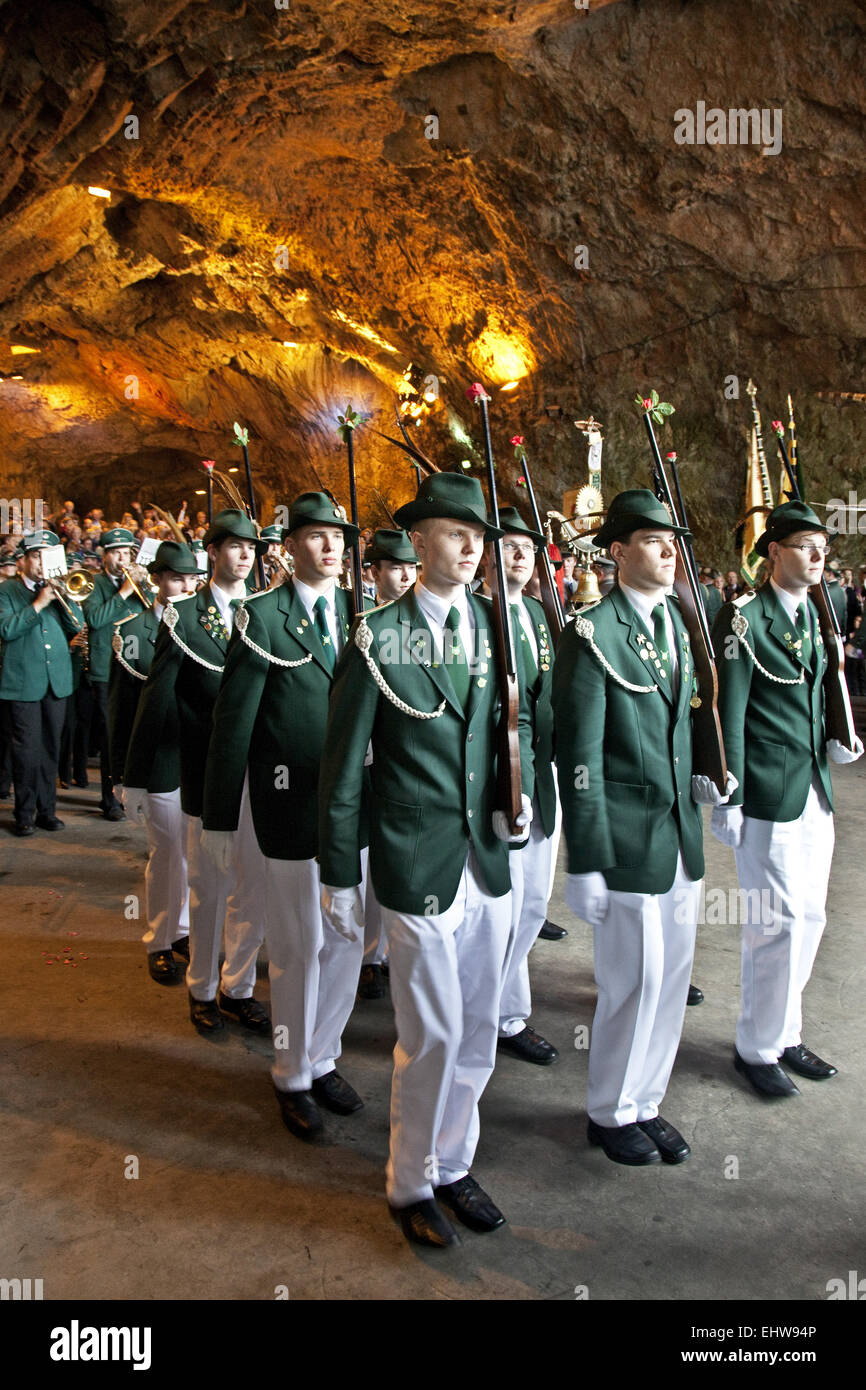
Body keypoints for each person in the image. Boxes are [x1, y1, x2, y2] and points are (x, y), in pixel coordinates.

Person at [318, 472, 534, 1247]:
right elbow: (341, 771)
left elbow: (519, 725)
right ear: (418, 542)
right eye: (453, 531)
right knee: (432, 1032)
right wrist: (340, 873)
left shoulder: (497, 625)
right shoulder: (378, 635)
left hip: (487, 857)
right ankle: (410, 1183)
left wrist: (525, 792)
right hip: (416, 860)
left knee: (477, 1025)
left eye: (479, 534)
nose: (473, 546)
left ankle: (452, 1161)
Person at [552, 490, 733, 1167]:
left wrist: (704, 778)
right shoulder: (591, 633)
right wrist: (588, 856)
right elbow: (581, 754)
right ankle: (609, 1109)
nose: (669, 551)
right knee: (634, 980)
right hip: (625, 838)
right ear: (618, 552)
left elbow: (681, 726)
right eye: (654, 540)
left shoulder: (677, 628)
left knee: (671, 977)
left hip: (678, 831)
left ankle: (647, 1099)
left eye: (674, 541)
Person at [201, 492, 367, 1139]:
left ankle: (323, 1053)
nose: (330, 546)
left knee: (348, 939)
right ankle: (292, 1071)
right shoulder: (260, 619)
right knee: (300, 946)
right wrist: (218, 818)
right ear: (289, 546)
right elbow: (231, 724)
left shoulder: (364, 614)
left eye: (338, 537)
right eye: (316, 536)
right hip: (289, 804)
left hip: (351, 808)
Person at [710, 501, 862, 1098]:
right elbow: (733, 712)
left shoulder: (815, 618)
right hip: (767, 794)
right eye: (803, 545)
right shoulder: (743, 619)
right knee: (777, 923)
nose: (818, 555)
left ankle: (785, 1031)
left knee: (812, 917)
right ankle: (756, 1046)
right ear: (772, 553)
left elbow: (822, 692)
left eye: (822, 545)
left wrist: (837, 735)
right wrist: (731, 795)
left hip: (814, 788)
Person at [123, 510, 269, 1037]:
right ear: (212, 552)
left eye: (252, 546)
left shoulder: (265, 613)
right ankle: (203, 987)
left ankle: (239, 986)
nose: (245, 555)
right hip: (206, 774)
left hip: (259, 775)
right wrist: (135, 776)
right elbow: (156, 698)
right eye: (234, 546)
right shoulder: (183, 617)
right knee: (209, 887)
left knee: (253, 890)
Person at [484, 507, 560, 1066]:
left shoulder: (535, 613)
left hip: (544, 775)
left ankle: (508, 1013)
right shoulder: (471, 614)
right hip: (495, 780)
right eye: (510, 545)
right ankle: (490, 1015)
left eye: (529, 549)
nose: (521, 556)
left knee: (533, 904)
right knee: (498, 911)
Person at [109, 541, 199, 985]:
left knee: (193, 854)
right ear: (158, 580)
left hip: (197, 757)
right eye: (177, 577)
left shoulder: (206, 624)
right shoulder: (132, 631)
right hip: (159, 759)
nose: (185, 586)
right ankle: (160, 939)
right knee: (166, 853)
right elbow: (123, 711)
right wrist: (122, 776)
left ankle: (182, 930)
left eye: (191, 578)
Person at [357, 528, 420, 1000]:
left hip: (402, 766)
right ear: (373, 572)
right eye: (394, 567)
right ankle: (364, 953)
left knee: (390, 863)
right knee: (362, 863)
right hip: (362, 762)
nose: (404, 575)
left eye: (410, 566)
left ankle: (383, 950)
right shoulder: (361, 626)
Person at [0, 530, 85, 836]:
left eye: (46, 557)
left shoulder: (58, 589)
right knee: (26, 751)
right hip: (22, 683)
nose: (40, 563)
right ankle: (24, 814)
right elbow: (6, 630)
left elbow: (76, 625)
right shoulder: (7, 590)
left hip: (56, 682)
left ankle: (46, 811)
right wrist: (37, 604)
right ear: (22, 559)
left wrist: (63, 596)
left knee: (51, 748)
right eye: (36, 556)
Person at [81, 527, 149, 820]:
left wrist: (144, 587)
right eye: (117, 553)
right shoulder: (93, 584)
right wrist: (122, 592)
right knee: (112, 737)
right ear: (105, 555)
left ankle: (133, 793)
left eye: (127, 553)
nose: (123, 559)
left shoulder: (138, 585)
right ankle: (109, 798)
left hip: (135, 667)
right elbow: (95, 620)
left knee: (135, 735)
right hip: (105, 669)